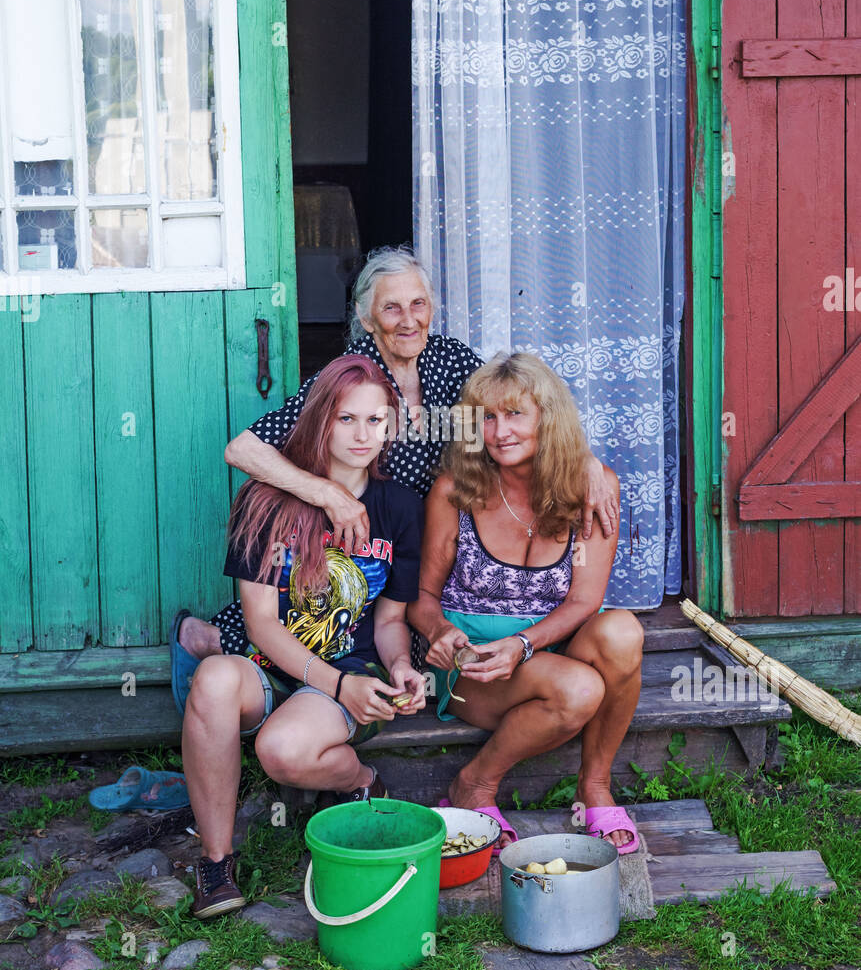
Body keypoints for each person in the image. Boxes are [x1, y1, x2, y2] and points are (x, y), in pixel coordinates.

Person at [173, 247, 621, 676]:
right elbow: (242, 449)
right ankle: (202, 640)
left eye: (418, 304)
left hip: (432, 533)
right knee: (314, 626)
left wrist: (581, 461)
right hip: (368, 527)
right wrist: (329, 494)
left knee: (396, 627)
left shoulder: (451, 358)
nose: (408, 320)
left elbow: (518, 406)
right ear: (366, 319)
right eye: (391, 309)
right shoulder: (353, 374)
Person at [181, 355, 427, 919]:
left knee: (282, 751)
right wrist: (334, 683)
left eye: (376, 419)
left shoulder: (400, 507)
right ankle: (216, 865)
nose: (363, 435)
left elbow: (390, 621)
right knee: (214, 677)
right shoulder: (266, 503)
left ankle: (363, 782)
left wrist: (398, 669)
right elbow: (262, 623)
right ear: (320, 420)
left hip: (352, 671)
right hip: (271, 665)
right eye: (346, 419)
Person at [408, 352, 645, 854]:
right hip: (475, 671)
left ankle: (594, 786)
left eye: (515, 414)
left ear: (547, 418)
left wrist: (524, 643)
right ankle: (475, 783)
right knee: (579, 689)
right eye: (487, 418)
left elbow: (586, 599)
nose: (500, 432)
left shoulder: (592, 488)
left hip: (549, 650)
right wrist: (439, 633)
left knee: (623, 632)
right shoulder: (456, 491)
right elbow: (423, 599)